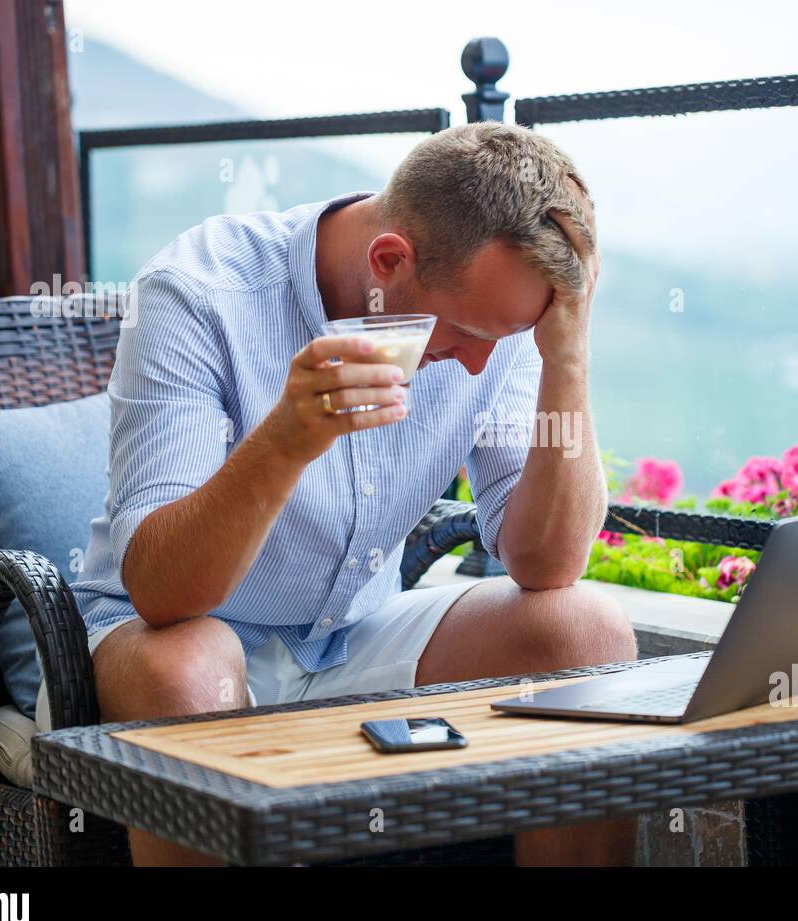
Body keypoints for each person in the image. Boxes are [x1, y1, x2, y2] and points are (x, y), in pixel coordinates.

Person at [64, 121, 637, 865]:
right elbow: (163, 594)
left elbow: (548, 564)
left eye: (509, 335)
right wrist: (286, 441)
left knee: (585, 631)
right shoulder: (198, 293)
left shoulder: (491, 330)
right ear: (389, 260)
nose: (475, 366)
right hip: (169, 637)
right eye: (464, 335)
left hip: (353, 633)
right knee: (189, 664)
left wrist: (565, 357)